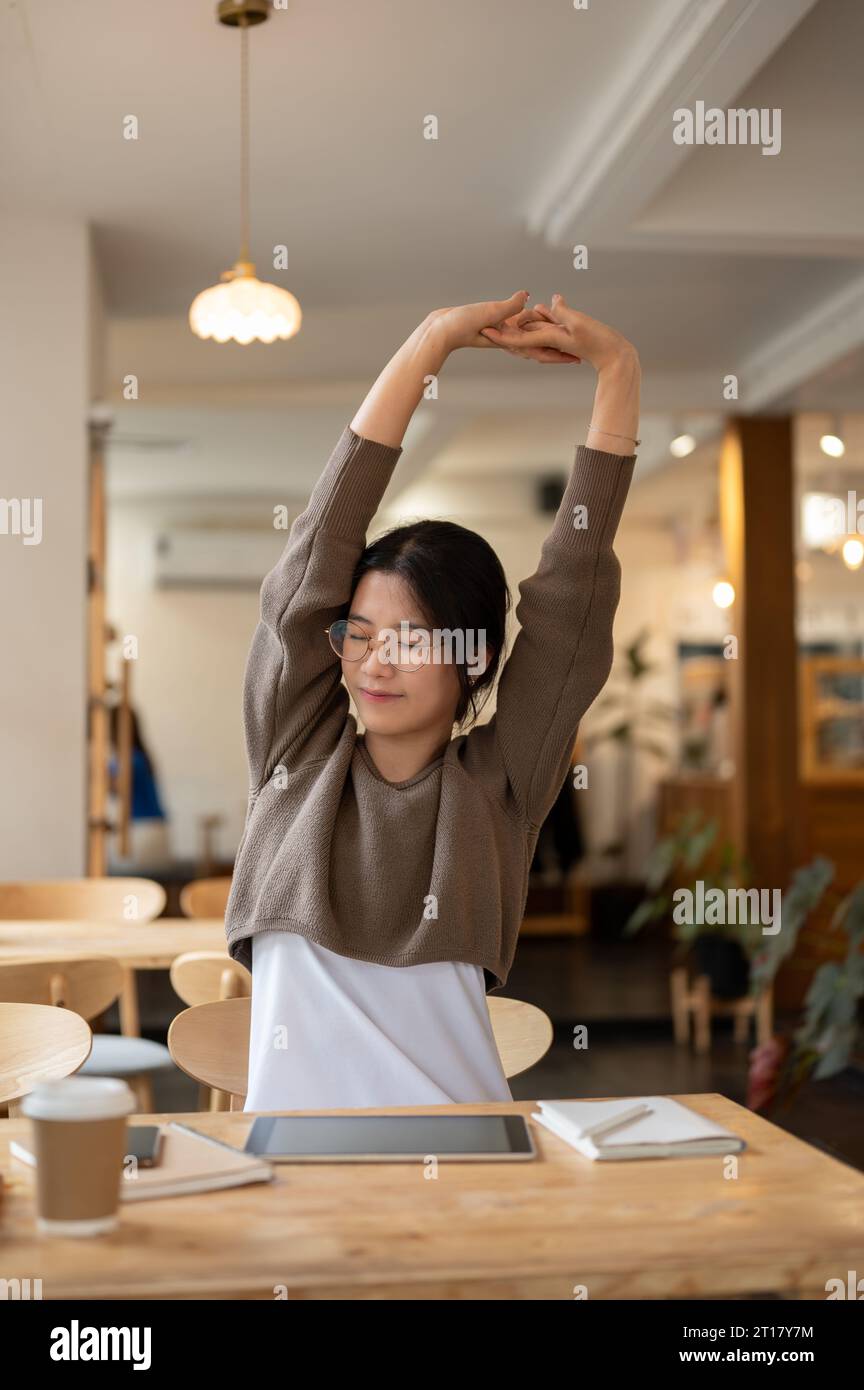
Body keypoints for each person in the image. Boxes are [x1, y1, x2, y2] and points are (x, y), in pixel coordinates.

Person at [224, 291, 641, 1109]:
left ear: (472, 660)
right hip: (292, 1176)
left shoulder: (500, 790)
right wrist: (425, 347)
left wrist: (618, 371)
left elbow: (570, 606)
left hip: (464, 1160)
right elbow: (311, 568)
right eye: (362, 631)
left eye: (412, 638)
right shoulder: (291, 757)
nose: (375, 661)